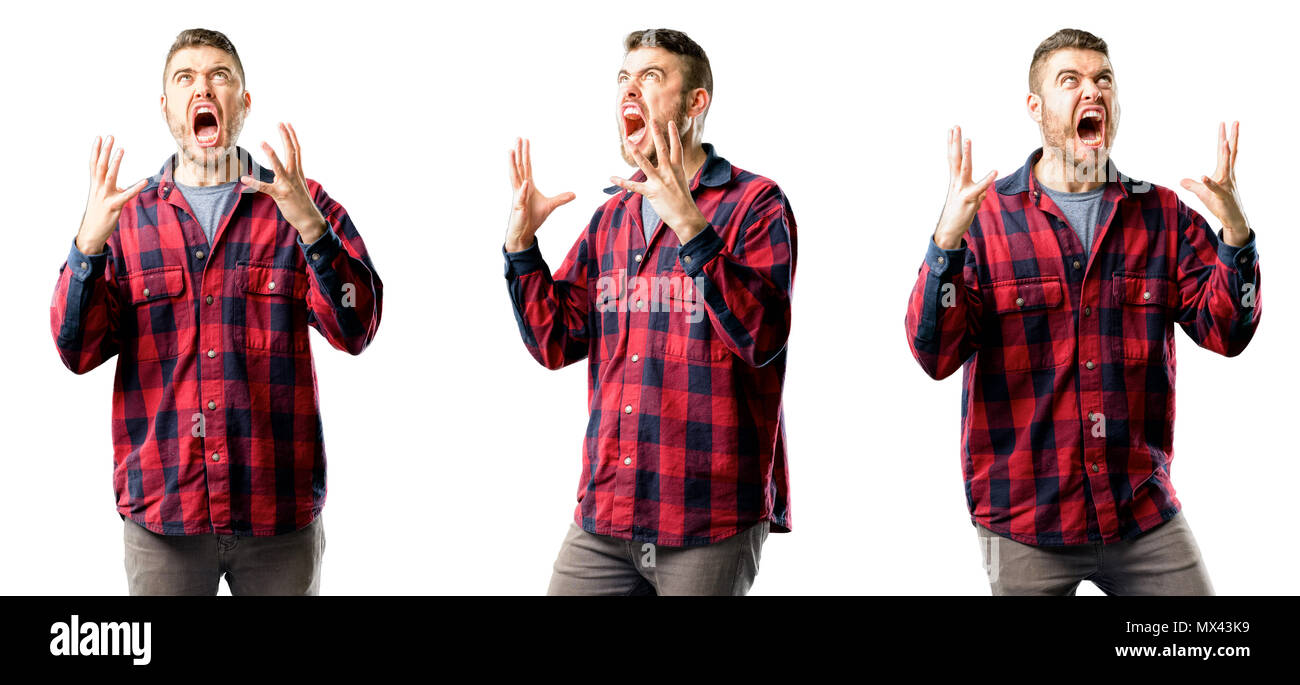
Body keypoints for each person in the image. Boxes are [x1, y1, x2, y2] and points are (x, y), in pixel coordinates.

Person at [905, 28, 1261, 595]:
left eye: (1103, 79)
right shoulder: (985, 219)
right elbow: (936, 354)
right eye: (1069, 80)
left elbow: (1227, 331)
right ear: (1036, 105)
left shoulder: (1162, 215)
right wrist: (945, 243)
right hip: (1026, 520)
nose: (1090, 90)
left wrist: (1237, 235)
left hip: (1139, 510)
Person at [50, 28, 382, 595]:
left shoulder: (300, 201)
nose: (203, 86)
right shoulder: (125, 220)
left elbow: (355, 328)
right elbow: (76, 352)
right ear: (166, 107)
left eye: (220, 76)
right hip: (164, 519)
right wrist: (86, 248)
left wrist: (310, 228)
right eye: (186, 78)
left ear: (243, 103)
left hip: (278, 514)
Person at [502, 28, 797, 595]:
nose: (628, 91)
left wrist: (690, 224)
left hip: (706, 518)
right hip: (607, 511)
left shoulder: (756, 203)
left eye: (651, 77)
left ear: (695, 103)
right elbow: (557, 341)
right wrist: (521, 248)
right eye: (623, 79)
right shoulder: (611, 217)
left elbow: (762, 337)